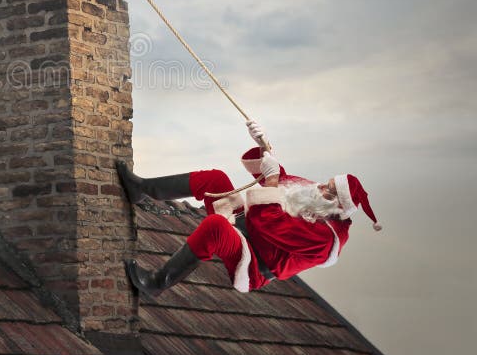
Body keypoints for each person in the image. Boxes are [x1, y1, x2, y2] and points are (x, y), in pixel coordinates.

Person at [117, 121, 381, 298]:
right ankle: (141, 189)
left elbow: (270, 222)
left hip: (253, 260)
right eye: (328, 182)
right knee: (216, 179)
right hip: (249, 228)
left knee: (216, 227)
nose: (321, 186)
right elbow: (280, 179)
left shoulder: (325, 240)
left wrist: (273, 178)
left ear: (337, 207)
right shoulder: (316, 198)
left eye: (330, 190)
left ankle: (156, 282)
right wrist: (265, 148)